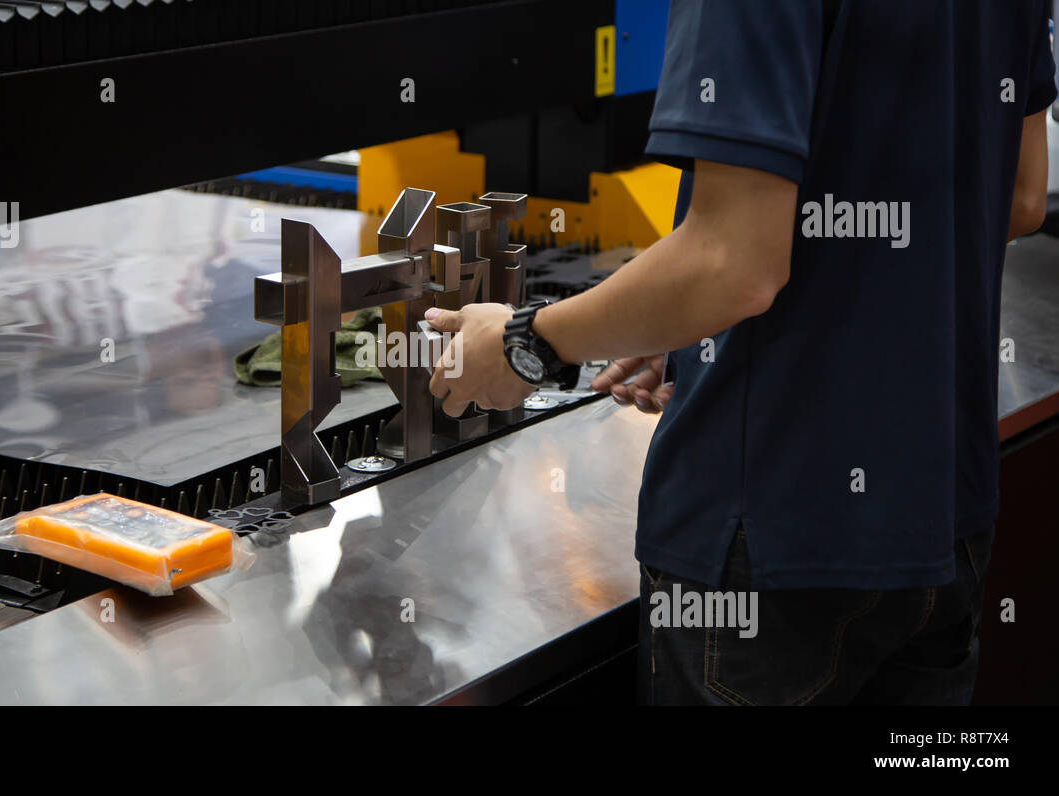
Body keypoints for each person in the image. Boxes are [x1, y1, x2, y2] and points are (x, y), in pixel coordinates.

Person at [424, 0, 1056, 705]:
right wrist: (683, 319)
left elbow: (734, 265)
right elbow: (1023, 196)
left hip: (775, 543)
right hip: (944, 510)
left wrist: (526, 344)